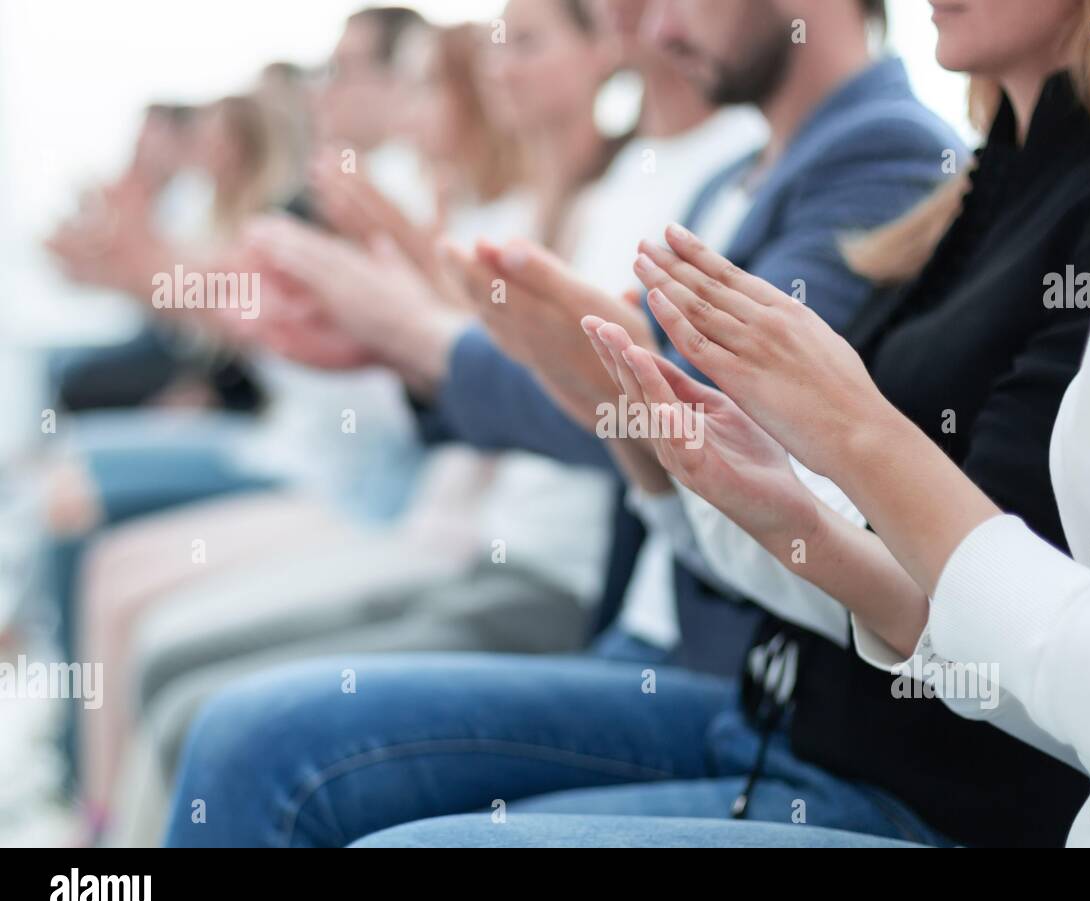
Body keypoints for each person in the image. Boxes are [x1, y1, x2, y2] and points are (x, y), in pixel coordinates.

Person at [161, 0, 967, 848]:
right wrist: (416, 337)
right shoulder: (725, 178)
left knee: (257, 741)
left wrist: (417, 334)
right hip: (643, 633)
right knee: (242, 731)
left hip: (732, 675)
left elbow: (713, 426)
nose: (656, 30)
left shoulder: (882, 150)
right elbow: (656, 427)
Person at [556, 0, 1090, 848]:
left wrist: (857, 436)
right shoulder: (1018, 176)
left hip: (926, 796)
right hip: (817, 736)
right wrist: (783, 507)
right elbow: (1053, 654)